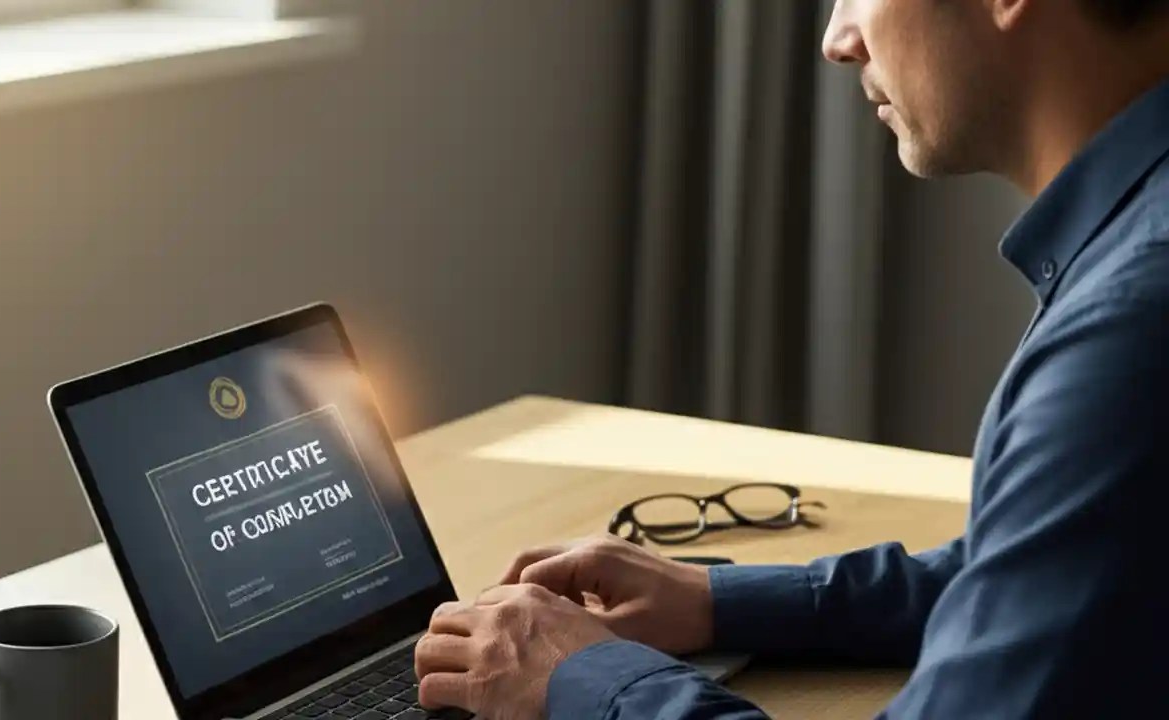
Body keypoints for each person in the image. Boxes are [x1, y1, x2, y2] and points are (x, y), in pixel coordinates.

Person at [413, 0, 1169, 717]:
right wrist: (721, 602)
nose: (838, 39)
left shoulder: (1127, 339)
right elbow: (1031, 577)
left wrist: (583, 678)